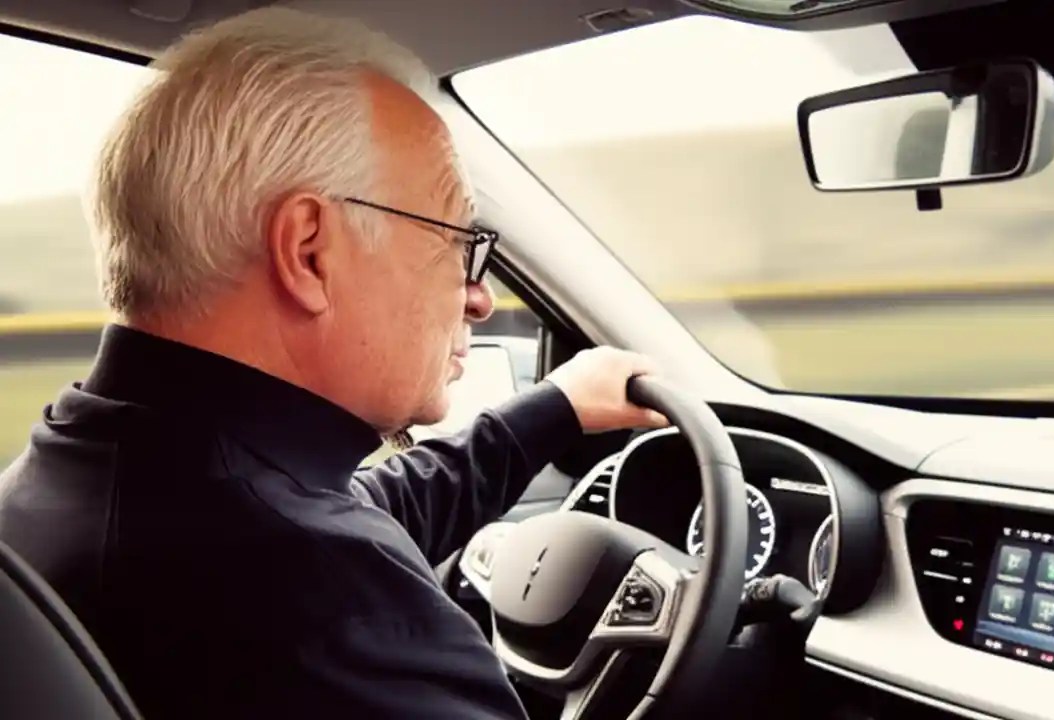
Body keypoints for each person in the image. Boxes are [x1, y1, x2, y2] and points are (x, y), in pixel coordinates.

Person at [0, 7, 666, 719]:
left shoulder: (91, 476)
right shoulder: (320, 601)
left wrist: (557, 407)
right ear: (309, 251)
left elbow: (357, 504)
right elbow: (318, 538)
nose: (477, 297)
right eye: (457, 241)